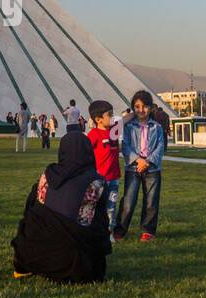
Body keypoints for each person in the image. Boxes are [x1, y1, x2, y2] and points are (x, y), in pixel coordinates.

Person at [10, 131, 111, 283]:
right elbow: (89, 224)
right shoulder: (96, 181)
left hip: (34, 256)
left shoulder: (48, 174)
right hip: (73, 265)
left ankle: (25, 265)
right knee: (98, 221)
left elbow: (31, 209)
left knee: (33, 216)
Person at [117, 90, 164, 242]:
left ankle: (148, 230)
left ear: (150, 107)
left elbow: (160, 146)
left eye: (145, 106)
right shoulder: (129, 127)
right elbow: (125, 146)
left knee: (151, 202)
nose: (141, 110)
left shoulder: (156, 127)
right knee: (129, 202)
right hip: (133, 168)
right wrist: (138, 160)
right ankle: (120, 230)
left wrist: (148, 161)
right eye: (137, 106)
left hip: (152, 169)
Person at [87, 100, 121, 240]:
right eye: (109, 115)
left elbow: (125, 119)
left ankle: (109, 232)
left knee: (111, 207)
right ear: (98, 119)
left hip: (114, 178)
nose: (112, 118)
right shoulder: (93, 135)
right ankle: (93, 231)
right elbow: (87, 155)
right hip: (98, 179)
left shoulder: (114, 131)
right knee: (94, 206)